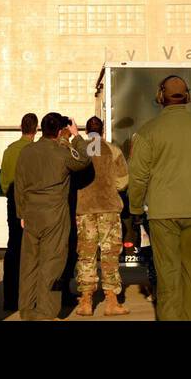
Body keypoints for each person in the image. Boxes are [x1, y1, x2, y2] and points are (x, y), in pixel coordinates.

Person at [126, 75, 191, 321]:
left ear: (160, 97)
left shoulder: (147, 132)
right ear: (188, 96)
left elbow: (137, 178)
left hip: (162, 212)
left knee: (167, 275)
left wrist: (136, 209)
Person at [14, 113, 91, 320]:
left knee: (29, 264)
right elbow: (84, 160)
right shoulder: (62, 152)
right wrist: (76, 136)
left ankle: (27, 309)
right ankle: (46, 312)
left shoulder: (27, 152)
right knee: (52, 263)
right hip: (54, 214)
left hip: (31, 214)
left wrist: (21, 212)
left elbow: (19, 184)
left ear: (41, 129)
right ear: (59, 131)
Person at [74, 116, 129, 317]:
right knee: (109, 255)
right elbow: (122, 182)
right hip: (108, 209)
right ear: (103, 131)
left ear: (87, 132)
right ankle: (111, 302)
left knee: (86, 255)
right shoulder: (113, 151)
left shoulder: (80, 151)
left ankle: (86, 302)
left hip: (85, 210)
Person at [0, 113, 37, 312]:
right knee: (32, 252)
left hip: (12, 202)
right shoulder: (34, 151)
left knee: (13, 249)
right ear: (36, 128)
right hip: (31, 206)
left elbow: (4, 180)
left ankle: (9, 298)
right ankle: (30, 298)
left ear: (20, 127)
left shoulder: (10, 150)